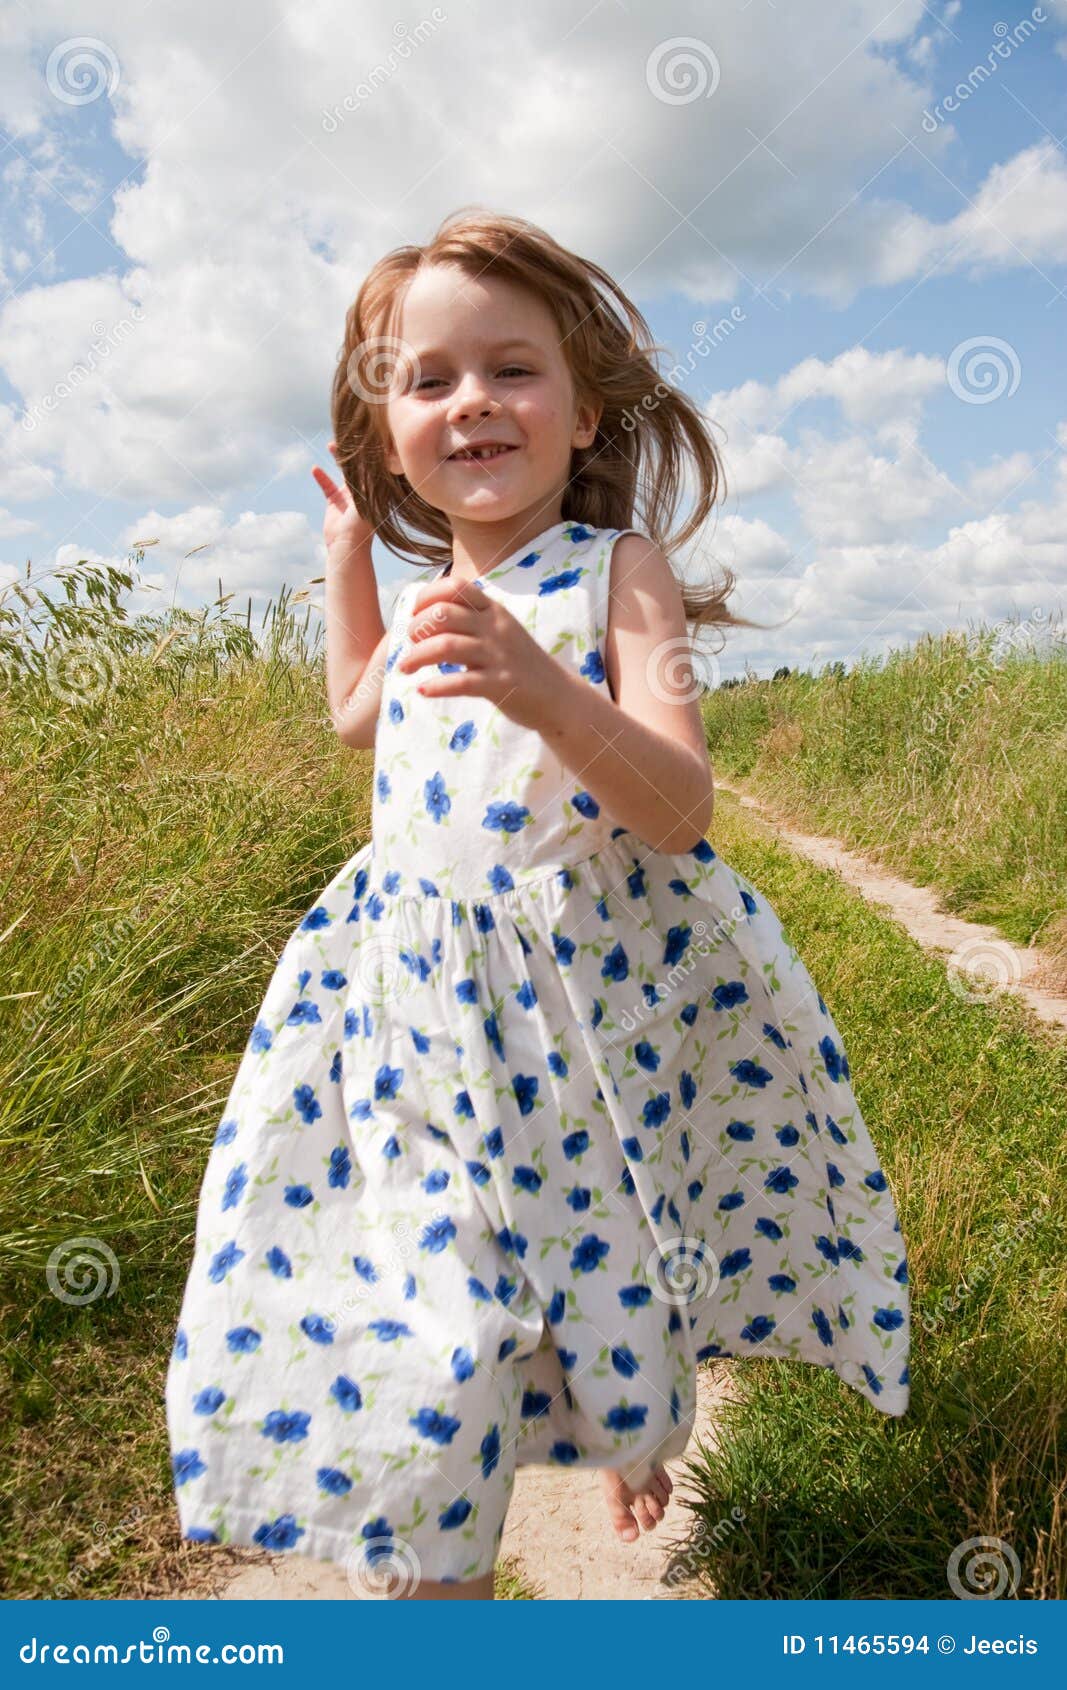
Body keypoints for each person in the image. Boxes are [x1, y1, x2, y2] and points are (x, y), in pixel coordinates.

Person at [166, 208, 910, 1601]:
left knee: (597, 1253)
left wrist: (543, 688)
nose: (471, 401)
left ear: (584, 413)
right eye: (428, 380)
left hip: (573, 1018)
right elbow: (355, 717)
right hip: (410, 1017)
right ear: (387, 436)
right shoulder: (427, 599)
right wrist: (349, 569)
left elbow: (678, 808)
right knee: (436, 1323)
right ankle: (436, 1566)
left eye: (512, 369)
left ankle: (622, 1419)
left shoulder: (615, 573)